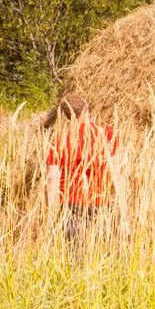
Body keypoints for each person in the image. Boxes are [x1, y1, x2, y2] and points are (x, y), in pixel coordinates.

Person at [45, 94, 124, 247]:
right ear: (87, 109)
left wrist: (51, 217)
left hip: (70, 206)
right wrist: (123, 211)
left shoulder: (59, 141)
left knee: (75, 257)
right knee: (105, 253)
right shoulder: (106, 135)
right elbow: (116, 174)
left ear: (66, 115)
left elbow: (51, 181)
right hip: (102, 203)